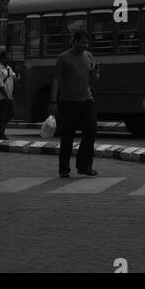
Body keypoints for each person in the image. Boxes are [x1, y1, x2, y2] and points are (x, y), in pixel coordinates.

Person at [50, 26, 99, 178]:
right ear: (74, 41)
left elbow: (94, 79)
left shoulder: (89, 57)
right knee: (67, 135)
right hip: (68, 102)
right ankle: (64, 168)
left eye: (87, 43)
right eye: (82, 42)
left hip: (87, 99)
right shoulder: (63, 58)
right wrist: (53, 101)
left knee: (91, 130)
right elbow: (57, 80)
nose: (85, 45)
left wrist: (96, 74)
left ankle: (84, 166)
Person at [0, 51, 18, 140]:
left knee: (11, 114)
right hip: (2, 96)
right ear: (2, 59)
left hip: (10, 95)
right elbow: (0, 85)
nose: (9, 59)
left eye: (10, 58)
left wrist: (17, 73)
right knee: (3, 115)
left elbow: (14, 78)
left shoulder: (9, 68)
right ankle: (1, 134)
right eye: (7, 58)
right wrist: (6, 96)